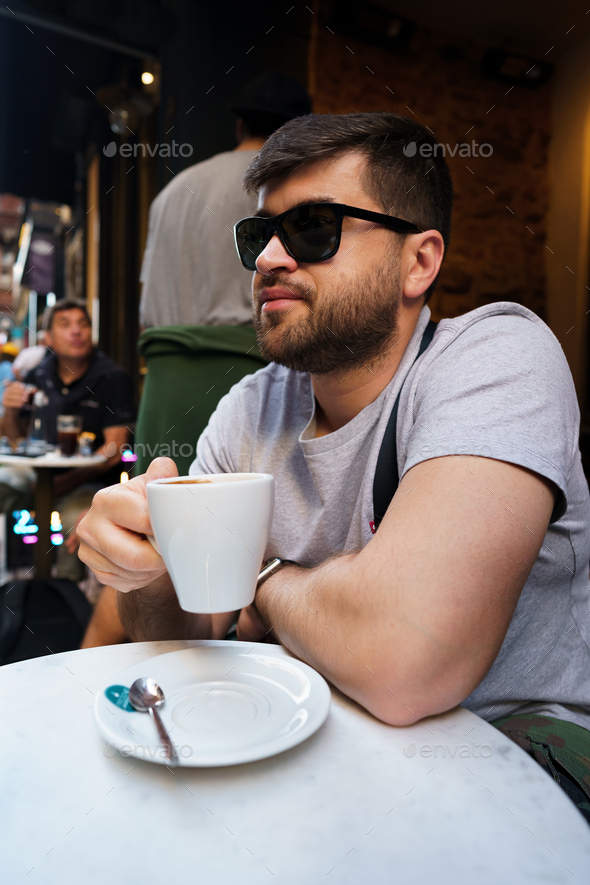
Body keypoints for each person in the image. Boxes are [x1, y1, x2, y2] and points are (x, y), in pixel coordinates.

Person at [78, 112, 590, 819]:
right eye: (259, 236)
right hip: (317, 746)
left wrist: (263, 580)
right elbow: (182, 635)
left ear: (420, 261)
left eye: (314, 228)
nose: (267, 261)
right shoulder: (249, 408)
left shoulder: (497, 360)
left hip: (514, 756)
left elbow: (406, 658)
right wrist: (141, 571)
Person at [134, 71, 312, 479]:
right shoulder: (282, 188)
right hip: (249, 377)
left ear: (239, 125)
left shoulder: (172, 191)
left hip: (166, 386)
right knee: (250, 535)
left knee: (156, 526)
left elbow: (147, 303)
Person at [2, 298, 135, 580]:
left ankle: (65, 605)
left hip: (92, 485)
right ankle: (15, 594)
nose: (77, 331)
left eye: (83, 324)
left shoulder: (111, 378)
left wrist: (60, 484)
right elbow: (15, 442)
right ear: (47, 337)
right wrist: (11, 412)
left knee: (78, 525)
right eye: (65, 325)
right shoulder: (39, 374)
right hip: (38, 477)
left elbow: (113, 449)